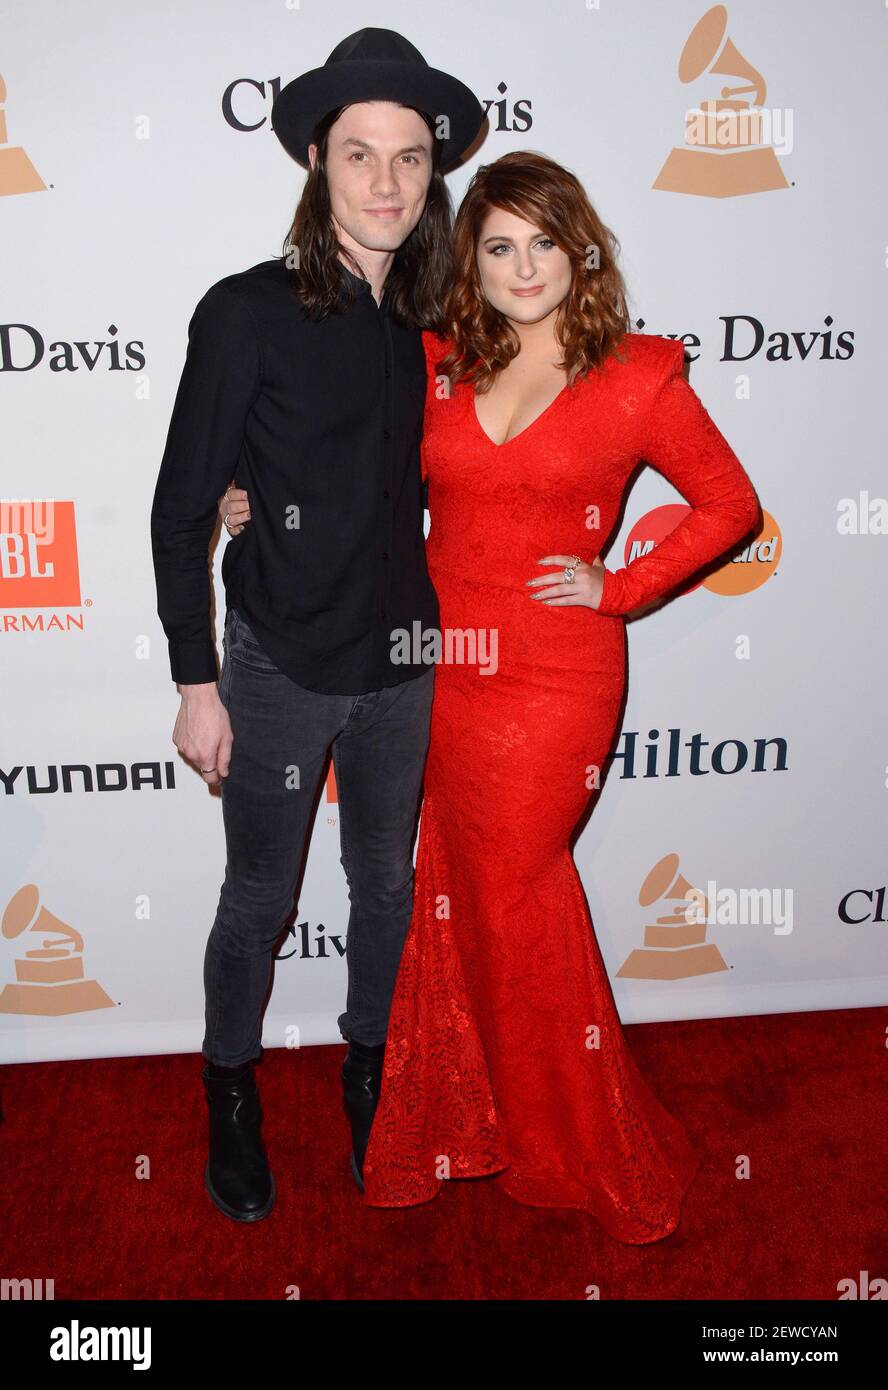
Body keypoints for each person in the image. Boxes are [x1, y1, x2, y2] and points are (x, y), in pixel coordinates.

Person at [220, 148, 762, 1243]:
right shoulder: (436, 362)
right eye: (500, 246)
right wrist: (252, 494)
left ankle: (572, 1131)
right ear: (473, 258)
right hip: (437, 660)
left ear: (581, 248)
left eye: (543, 243)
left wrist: (622, 585)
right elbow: (345, 461)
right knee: (451, 881)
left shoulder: (641, 374)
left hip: (556, 676)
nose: (523, 266)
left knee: (517, 883)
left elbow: (730, 506)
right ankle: (471, 1110)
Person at [150, 28, 484, 1222]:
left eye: (408, 157)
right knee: (258, 898)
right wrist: (198, 683)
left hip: (404, 659)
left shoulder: (438, 321)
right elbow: (184, 502)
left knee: (384, 888)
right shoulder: (244, 311)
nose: (387, 181)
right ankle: (228, 1092)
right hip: (281, 662)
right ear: (315, 161)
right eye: (359, 155)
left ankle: (369, 1073)